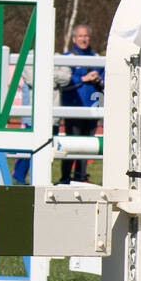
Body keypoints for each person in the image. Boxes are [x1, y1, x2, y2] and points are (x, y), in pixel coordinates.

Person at [57, 23, 103, 184]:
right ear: (74, 38)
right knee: (71, 143)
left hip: (93, 108)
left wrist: (99, 79)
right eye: (80, 36)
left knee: (88, 144)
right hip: (73, 108)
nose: (83, 39)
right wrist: (83, 79)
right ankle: (65, 177)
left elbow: (106, 81)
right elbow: (63, 82)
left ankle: (81, 177)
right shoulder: (66, 58)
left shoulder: (97, 59)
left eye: (86, 36)